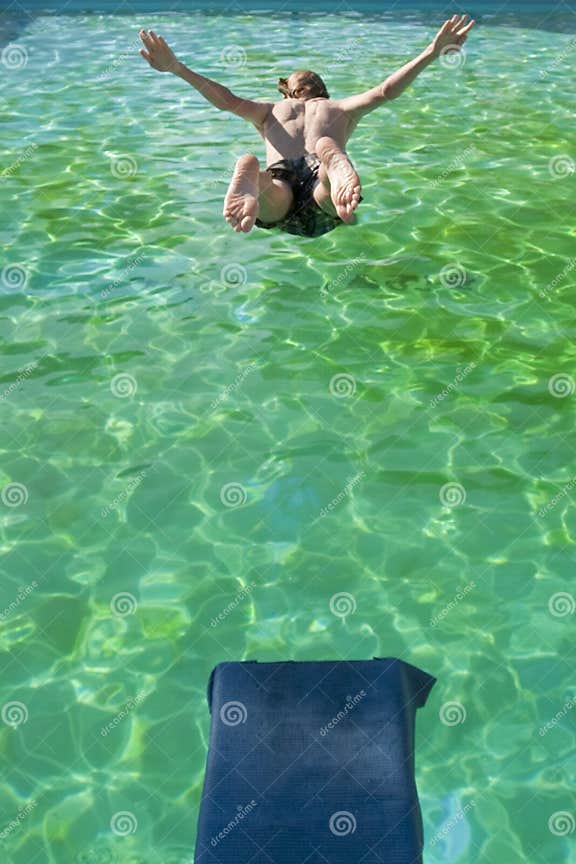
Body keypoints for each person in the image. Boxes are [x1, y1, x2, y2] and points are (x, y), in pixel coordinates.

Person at [138, 14, 475, 238]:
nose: (305, 79)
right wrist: (178, 68)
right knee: (278, 172)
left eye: (310, 78)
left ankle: (328, 166)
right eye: (299, 79)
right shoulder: (280, 109)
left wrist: (431, 52)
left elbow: (386, 90)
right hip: (282, 187)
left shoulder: (329, 107)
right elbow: (226, 99)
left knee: (325, 160)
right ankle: (254, 178)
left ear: (319, 87)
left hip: (319, 190)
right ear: (290, 89)